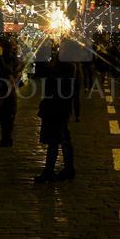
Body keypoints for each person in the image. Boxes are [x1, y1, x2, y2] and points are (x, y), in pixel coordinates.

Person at [35, 39, 76, 182]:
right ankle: (61, 169)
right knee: (58, 139)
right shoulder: (60, 63)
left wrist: (44, 62)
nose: (60, 49)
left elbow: (55, 79)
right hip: (54, 106)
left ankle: (54, 171)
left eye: (62, 48)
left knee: (58, 139)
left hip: (58, 107)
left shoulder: (67, 66)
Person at [0, 37, 19, 147]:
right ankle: (4, 138)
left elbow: (8, 70)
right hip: (0, 86)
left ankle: (7, 138)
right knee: (0, 113)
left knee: (6, 113)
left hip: (7, 88)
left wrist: (1, 57)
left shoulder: (11, 57)